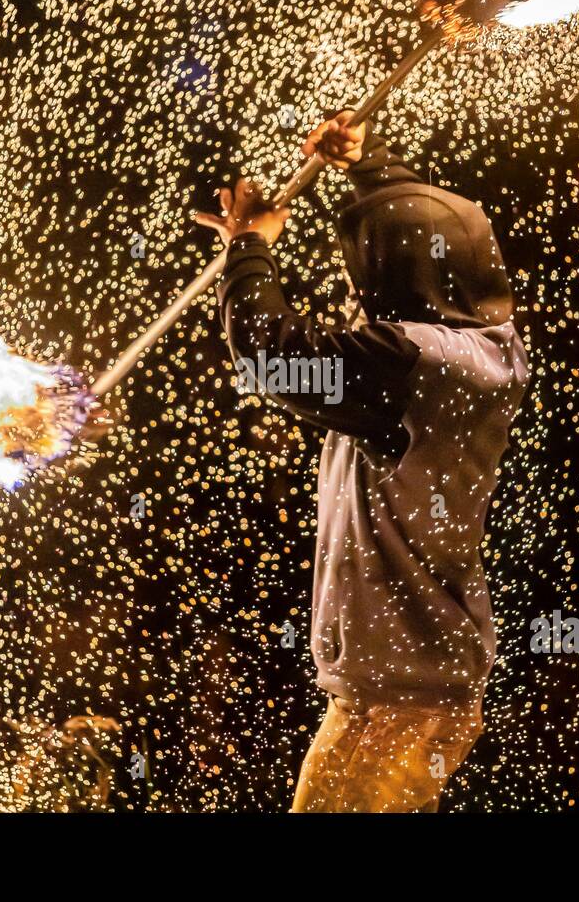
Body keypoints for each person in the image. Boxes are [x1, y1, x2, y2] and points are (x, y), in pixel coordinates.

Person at [195, 111, 529, 811]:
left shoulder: (416, 362)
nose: (353, 298)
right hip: (398, 690)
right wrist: (370, 162)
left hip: (406, 696)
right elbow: (426, 234)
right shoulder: (480, 339)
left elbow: (275, 363)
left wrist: (249, 249)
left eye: (361, 282)